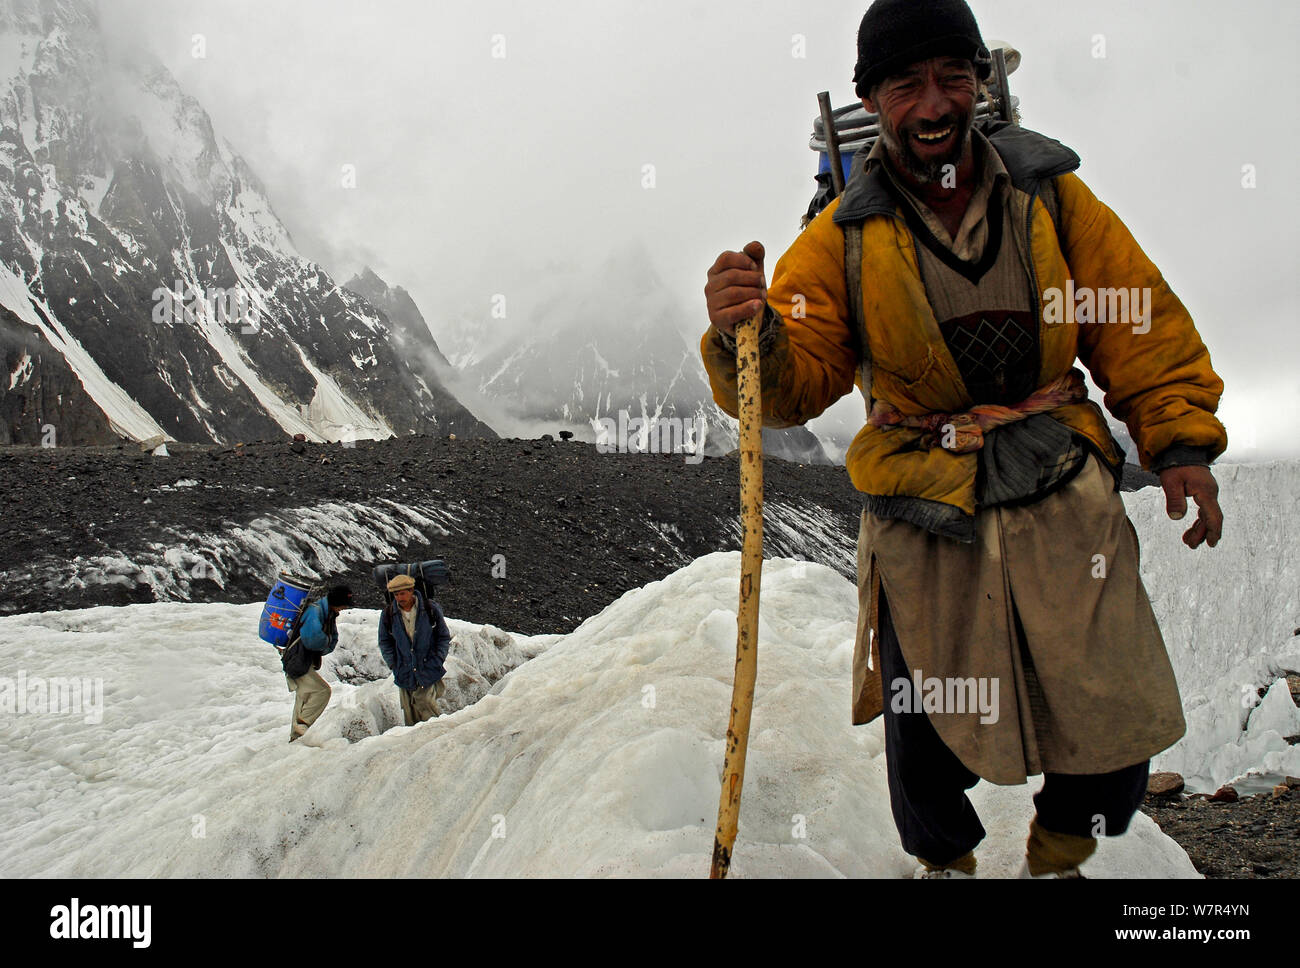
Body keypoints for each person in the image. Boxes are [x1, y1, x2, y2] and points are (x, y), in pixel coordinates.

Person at [701, 0, 1226, 879]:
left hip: (1059, 479)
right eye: (907, 85)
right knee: (926, 734)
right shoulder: (838, 240)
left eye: (953, 77)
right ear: (876, 100)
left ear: (981, 85)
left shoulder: (1051, 196)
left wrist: (1180, 445)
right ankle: (946, 866)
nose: (935, 104)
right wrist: (743, 334)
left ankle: (1061, 851)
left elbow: (1135, 317)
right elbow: (792, 387)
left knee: (1110, 714)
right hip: (923, 502)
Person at [378, 575, 452, 726]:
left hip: (427, 667)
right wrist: (393, 663)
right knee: (409, 712)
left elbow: (443, 636)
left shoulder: (429, 609)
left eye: (402, 593)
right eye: (396, 594)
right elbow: (384, 641)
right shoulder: (388, 614)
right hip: (404, 670)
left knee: (425, 704)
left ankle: (440, 735)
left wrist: (438, 659)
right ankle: (416, 744)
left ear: (411, 591)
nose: (399, 598)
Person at [287, 585, 354, 743]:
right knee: (322, 691)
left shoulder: (325, 612)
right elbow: (313, 639)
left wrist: (326, 642)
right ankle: (302, 726)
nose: (343, 609)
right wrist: (327, 642)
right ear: (337, 602)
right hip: (298, 660)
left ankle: (295, 738)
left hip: (300, 659)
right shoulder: (316, 612)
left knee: (304, 696)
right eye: (343, 604)